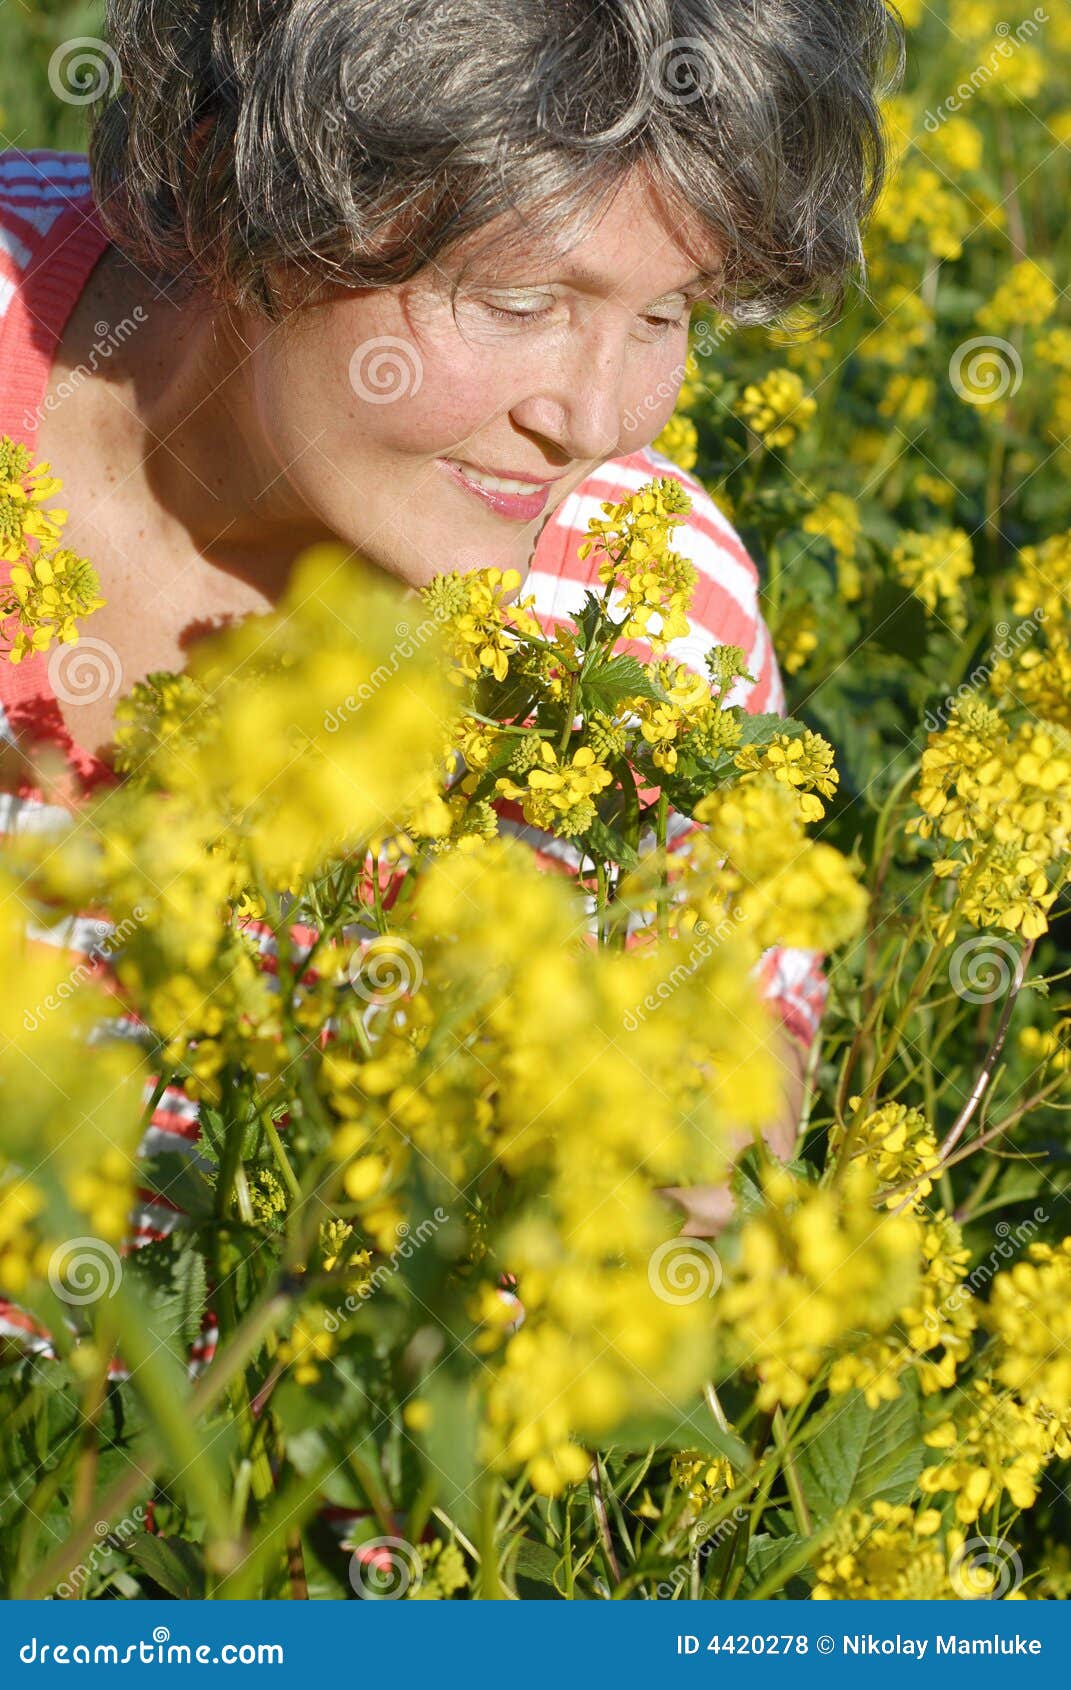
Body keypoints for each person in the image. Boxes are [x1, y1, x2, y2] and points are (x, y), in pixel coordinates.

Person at [0, 0, 900, 1305]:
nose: (596, 418)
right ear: (232, 176)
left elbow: (746, 1036)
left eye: (668, 316)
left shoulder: (644, 623)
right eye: (522, 299)